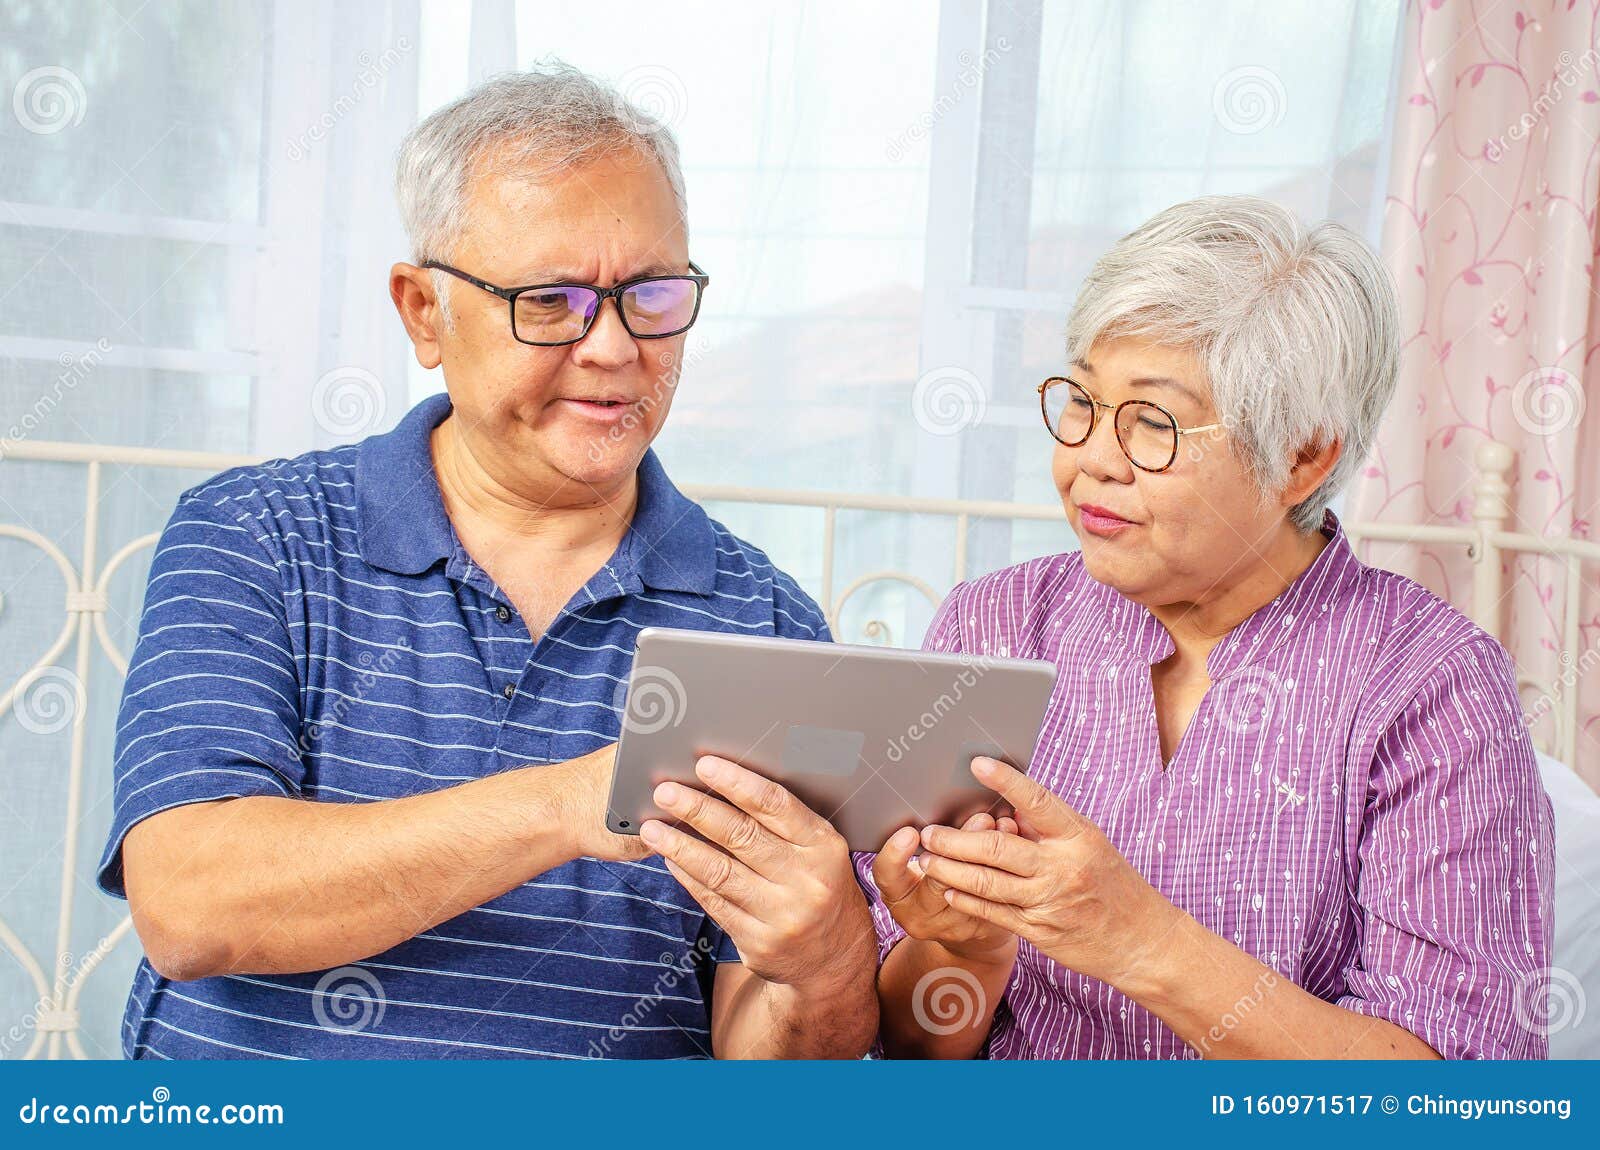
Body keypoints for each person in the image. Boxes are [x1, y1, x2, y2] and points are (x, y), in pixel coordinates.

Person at [98, 64, 877, 1060]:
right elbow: (193, 904)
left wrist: (825, 963)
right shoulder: (255, 535)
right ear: (424, 311)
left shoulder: (763, 620)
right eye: (549, 301)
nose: (612, 348)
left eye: (651, 293)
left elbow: (757, 1060)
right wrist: (564, 804)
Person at [861, 195, 1555, 1060]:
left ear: (1303, 455)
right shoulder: (997, 626)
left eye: (1152, 423)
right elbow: (905, 1047)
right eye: (1078, 400)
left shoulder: (1433, 686)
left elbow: (1462, 1102)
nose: (1090, 460)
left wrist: (1145, 943)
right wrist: (965, 947)